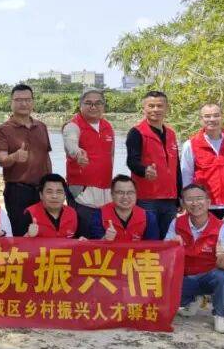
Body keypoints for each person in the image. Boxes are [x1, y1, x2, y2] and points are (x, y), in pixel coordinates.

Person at [167, 183, 224, 333]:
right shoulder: (176, 223)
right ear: (183, 203)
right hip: (184, 277)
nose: (195, 203)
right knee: (164, 289)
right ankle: (193, 300)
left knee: (223, 278)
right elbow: (166, 254)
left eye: (199, 198)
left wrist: (222, 256)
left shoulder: (223, 228)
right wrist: (172, 244)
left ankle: (220, 316)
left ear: (208, 202)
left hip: (208, 276)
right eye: (189, 199)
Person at [0, 83, 53, 233]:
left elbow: (46, 157)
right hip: (18, 191)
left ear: (33, 102)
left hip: (42, 190)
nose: (24, 103)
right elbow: (2, 160)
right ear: (11, 102)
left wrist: (51, 184)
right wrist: (15, 156)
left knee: (44, 232)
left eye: (27, 100)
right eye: (19, 100)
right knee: (19, 234)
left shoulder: (41, 127)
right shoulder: (2, 130)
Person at [126, 90, 181, 239]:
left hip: (170, 198)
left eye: (159, 106)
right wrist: (144, 170)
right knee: (149, 240)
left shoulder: (171, 134)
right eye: (151, 106)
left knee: (168, 240)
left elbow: (176, 167)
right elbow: (131, 161)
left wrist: (179, 195)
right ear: (144, 108)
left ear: (166, 108)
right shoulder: (136, 132)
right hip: (147, 199)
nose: (155, 110)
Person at [63, 88, 115, 232]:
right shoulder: (72, 126)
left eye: (98, 103)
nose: (93, 107)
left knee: (103, 235)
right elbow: (70, 143)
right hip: (82, 193)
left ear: (103, 106)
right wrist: (78, 154)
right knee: (83, 235)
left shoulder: (107, 126)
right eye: (88, 103)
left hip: (105, 191)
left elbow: (111, 156)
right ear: (80, 105)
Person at [87, 175, 159, 241]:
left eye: (130, 192)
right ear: (112, 194)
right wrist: (104, 239)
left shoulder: (148, 217)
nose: (125, 197)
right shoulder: (99, 215)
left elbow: (153, 246)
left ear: (136, 194)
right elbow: (92, 246)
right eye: (120, 192)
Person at [15, 174, 81, 239]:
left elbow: (77, 239)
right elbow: (17, 243)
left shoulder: (72, 213)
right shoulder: (29, 214)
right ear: (41, 195)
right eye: (49, 192)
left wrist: (82, 240)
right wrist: (28, 236)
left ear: (64, 196)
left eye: (59, 192)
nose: (54, 196)